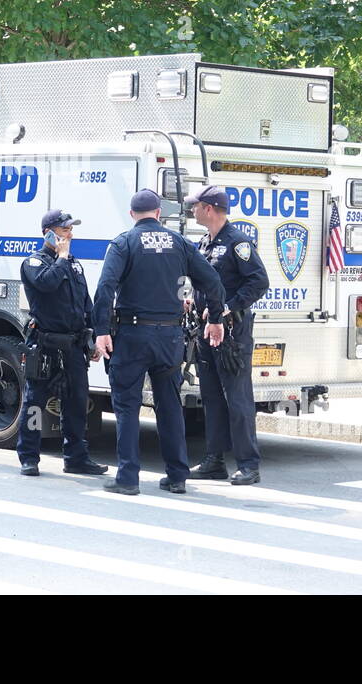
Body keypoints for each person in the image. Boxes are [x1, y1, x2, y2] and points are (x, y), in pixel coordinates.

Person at [92, 189, 225, 496]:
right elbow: (213, 282)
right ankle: (177, 476)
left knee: (126, 405)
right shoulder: (179, 243)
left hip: (132, 336)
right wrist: (215, 318)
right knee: (169, 406)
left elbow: (105, 288)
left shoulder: (123, 242)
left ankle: (127, 478)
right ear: (158, 214)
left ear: (132, 215)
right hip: (170, 338)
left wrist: (101, 330)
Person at [185, 186, 270, 486]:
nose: (191, 210)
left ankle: (248, 465)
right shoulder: (204, 242)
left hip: (232, 333)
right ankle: (214, 460)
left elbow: (259, 282)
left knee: (238, 399)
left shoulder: (237, 243)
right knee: (211, 398)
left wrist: (227, 309)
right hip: (205, 331)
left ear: (209, 208)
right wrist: (192, 301)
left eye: (195, 206)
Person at [16, 208, 108, 478]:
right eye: (65, 230)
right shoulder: (34, 263)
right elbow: (46, 284)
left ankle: (76, 458)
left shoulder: (74, 264)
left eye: (70, 229)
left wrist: (91, 339)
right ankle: (29, 458)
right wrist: (62, 257)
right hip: (45, 347)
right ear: (49, 234)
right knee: (35, 404)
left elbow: (85, 304)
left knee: (78, 404)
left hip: (73, 348)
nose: (70, 234)